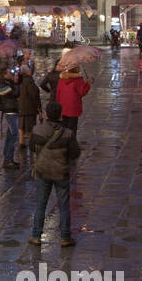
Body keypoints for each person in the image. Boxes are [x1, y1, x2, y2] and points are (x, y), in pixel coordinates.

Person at [29, 101, 81, 246]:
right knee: (64, 205)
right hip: (61, 173)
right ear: (60, 115)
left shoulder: (37, 130)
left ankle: (36, 235)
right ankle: (65, 237)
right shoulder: (68, 133)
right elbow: (75, 153)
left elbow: (32, 147)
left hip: (43, 171)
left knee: (41, 203)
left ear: (46, 114)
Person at [0, 66, 21, 170]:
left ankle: (8, 159)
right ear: (5, 74)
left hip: (12, 111)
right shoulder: (3, 85)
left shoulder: (8, 83)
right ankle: (8, 160)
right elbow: (16, 93)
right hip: (10, 113)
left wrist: (15, 81)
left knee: (10, 136)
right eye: (10, 72)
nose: (12, 73)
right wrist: (16, 83)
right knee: (14, 136)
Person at [55, 67, 90, 133]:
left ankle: (64, 140)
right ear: (76, 69)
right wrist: (88, 84)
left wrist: (59, 104)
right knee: (72, 127)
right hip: (73, 107)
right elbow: (82, 92)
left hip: (63, 106)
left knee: (64, 125)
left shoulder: (62, 79)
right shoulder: (78, 79)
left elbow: (58, 93)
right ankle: (71, 141)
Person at [18, 59, 41, 151]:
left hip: (20, 107)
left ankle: (21, 142)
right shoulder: (29, 81)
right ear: (26, 72)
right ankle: (31, 144)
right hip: (29, 108)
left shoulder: (19, 80)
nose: (30, 70)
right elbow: (34, 95)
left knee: (21, 126)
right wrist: (39, 108)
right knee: (30, 127)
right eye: (29, 69)